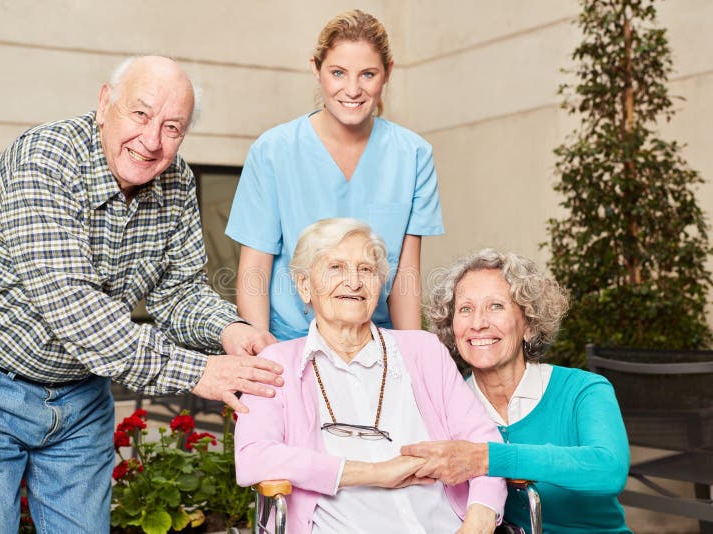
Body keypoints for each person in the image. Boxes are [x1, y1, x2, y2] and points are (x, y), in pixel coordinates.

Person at [0, 56, 283, 533]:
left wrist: (229, 329)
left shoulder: (176, 181)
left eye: (172, 127)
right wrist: (200, 371)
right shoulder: (45, 159)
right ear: (105, 103)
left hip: (80, 392)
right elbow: (75, 310)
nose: (151, 140)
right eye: (140, 114)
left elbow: (179, 293)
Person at [235, 219, 505, 534]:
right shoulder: (277, 364)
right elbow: (252, 457)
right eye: (336, 267)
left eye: (366, 269)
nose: (354, 282)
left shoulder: (424, 351)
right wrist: (374, 473)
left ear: (380, 285)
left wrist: (481, 516)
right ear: (304, 285)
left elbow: (484, 442)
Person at [225, 9, 444, 341]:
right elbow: (255, 270)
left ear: (387, 73)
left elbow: (405, 277)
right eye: (338, 73)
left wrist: (410, 356)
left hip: (373, 345)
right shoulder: (272, 152)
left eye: (367, 74)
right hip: (291, 343)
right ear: (316, 69)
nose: (352, 89)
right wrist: (264, 357)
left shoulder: (413, 156)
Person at [402, 249, 631, 533]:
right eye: (465, 309)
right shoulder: (442, 407)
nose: (478, 323)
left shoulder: (583, 390)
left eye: (496, 306)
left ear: (529, 325)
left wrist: (487, 458)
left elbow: (609, 470)